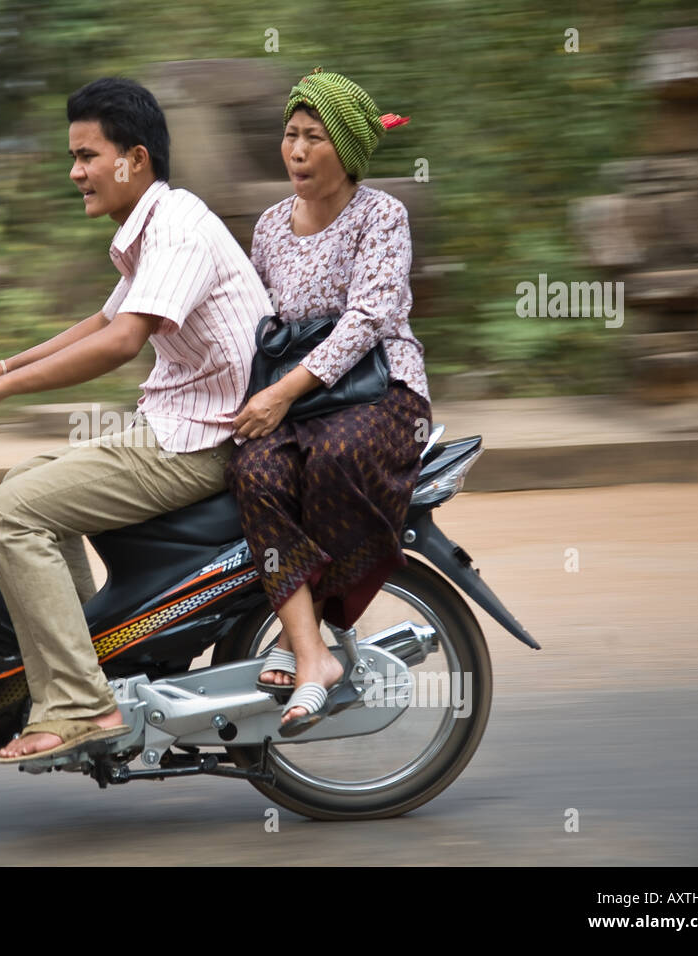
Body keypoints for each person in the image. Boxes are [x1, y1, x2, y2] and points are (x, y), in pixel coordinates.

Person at [0, 77, 274, 763]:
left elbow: (122, 341)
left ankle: (79, 705)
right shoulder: (153, 227)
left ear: (136, 159)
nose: (75, 172)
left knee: (11, 513)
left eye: (88, 155)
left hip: (204, 439)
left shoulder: (177, 226)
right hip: (183, 423)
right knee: (30, 477)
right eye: (74, 156)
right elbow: (101, 320)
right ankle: (104, 666)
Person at [226, 69, 433, 737]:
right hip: (301, 397)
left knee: (336, 460)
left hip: (378, 385)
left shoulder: (382, 215)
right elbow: (251, 319)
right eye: (290, 135)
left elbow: (368, 317)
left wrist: (282, 393)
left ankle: (304, 632)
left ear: (345, 151)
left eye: (315, 137)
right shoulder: (266, 225)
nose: (297, 149)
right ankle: (311, 652)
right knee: (254, 472)